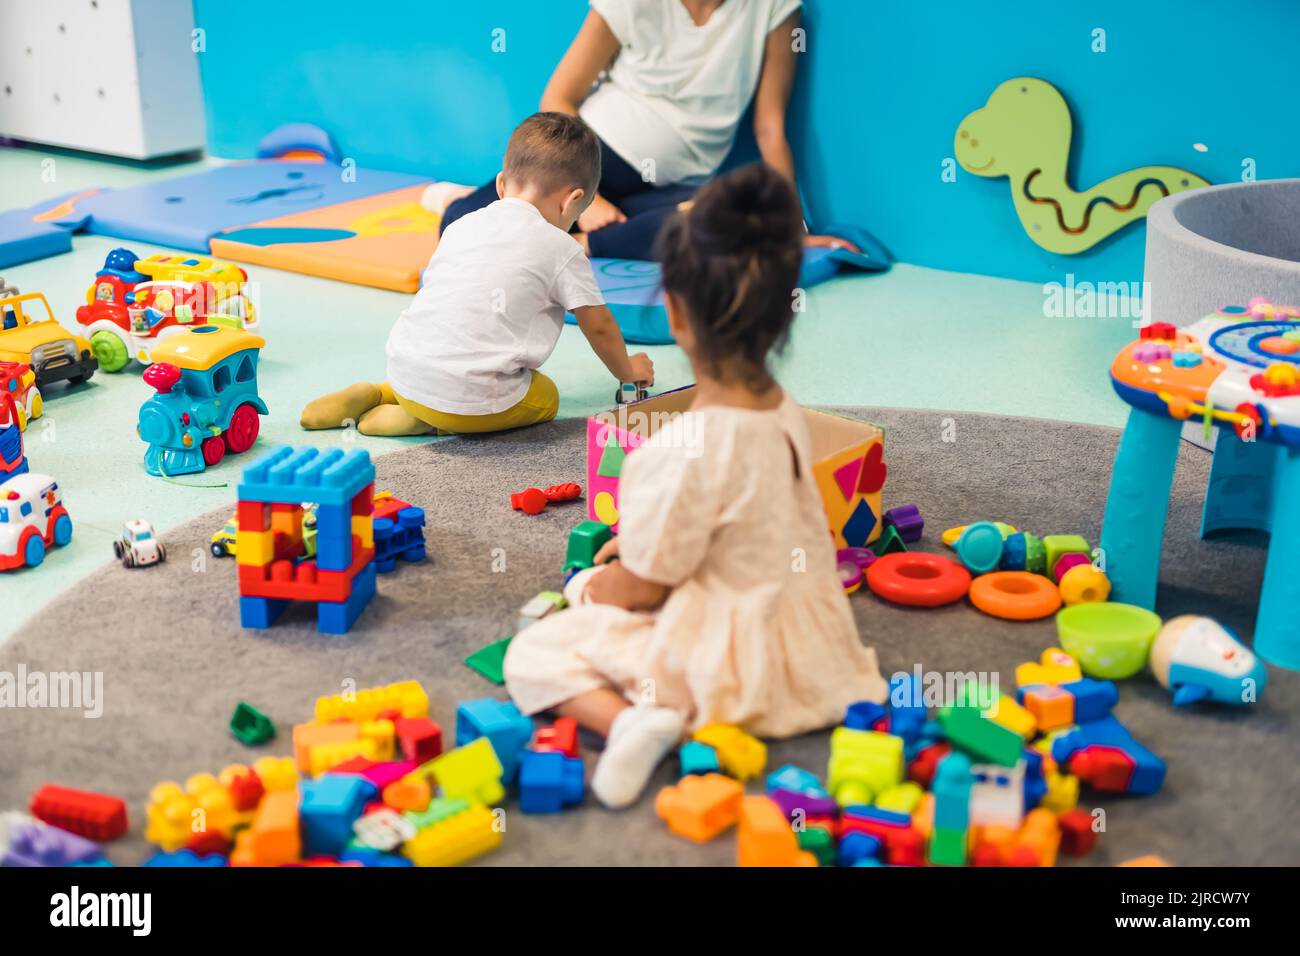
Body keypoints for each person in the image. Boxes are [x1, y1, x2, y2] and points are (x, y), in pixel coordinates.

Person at [503, 164, 886, 809]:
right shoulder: (783, 409)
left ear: (675, 313)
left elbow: (648, 587)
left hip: (723, 659)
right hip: (810, 645)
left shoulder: (673, 455)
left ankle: (631, 723)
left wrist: (593, 587)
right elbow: (733, 519)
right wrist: (641, 548)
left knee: (534, 653)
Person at [301, 113, 653, 437]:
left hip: (406, 369)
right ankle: (427, 423)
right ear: (572, 201)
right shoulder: (562, 248)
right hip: (465, 398)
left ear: (501, 184)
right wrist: (627, 371)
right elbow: (599, 324)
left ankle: (381, 393)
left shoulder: (463, 225)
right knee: (545, 396)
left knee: (446, 366)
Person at [425, 0, 857, 261]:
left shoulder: (775, 9)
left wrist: (791, 231)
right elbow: (558, 98)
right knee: (464, 224)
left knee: (726, 225)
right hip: (591, 161)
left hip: (672, 184)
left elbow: (770, 127)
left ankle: (577, 242)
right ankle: (468, 197)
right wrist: (591, 200)